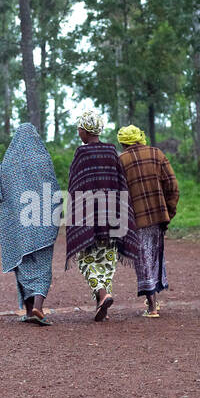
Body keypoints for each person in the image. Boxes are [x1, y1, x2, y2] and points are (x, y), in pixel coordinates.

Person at [65, 110, 138, 321]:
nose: (78, 132)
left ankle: (102, 294)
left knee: (85, 260)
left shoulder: (82, 153)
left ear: (86, 132)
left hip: (88, 218)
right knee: (107, 260)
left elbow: (75, 185)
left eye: (79, 129)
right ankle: (102, 303)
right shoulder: (111, 151)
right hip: (112, 216)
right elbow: (119, 182)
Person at [0, 122, 60, 325]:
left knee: (22, 263)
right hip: (42, 221)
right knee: (43, 265)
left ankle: (31, 311)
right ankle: (38, 307)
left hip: (19, 226)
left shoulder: (8, 162)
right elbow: (54, 189)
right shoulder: (43, 159)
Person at [117, 125, 179, 317]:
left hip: (136, 218)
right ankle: (152, 300)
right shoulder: (157, 154)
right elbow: (173, 186)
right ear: (140, 138)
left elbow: (118, 193)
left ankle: (151, 305)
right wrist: (169, 211)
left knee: (142, 257)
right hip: (158, 216)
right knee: (154, 255)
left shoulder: (121, 160)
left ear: (123, 142)